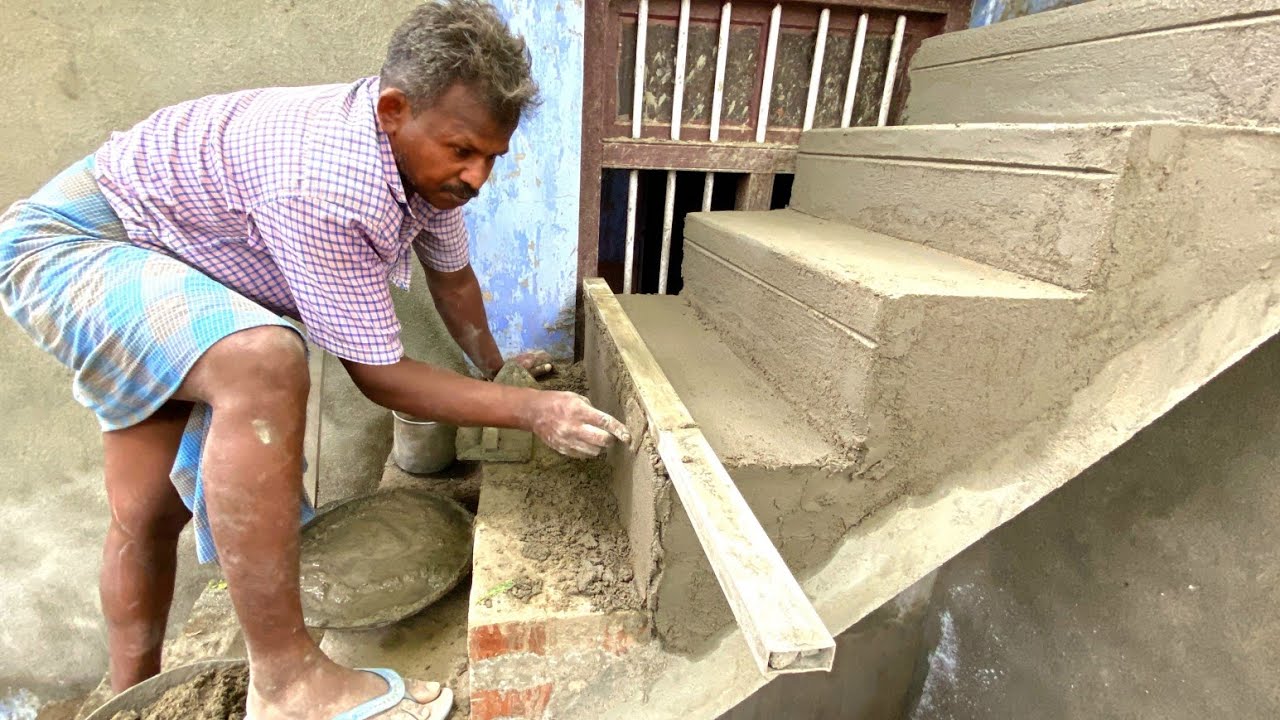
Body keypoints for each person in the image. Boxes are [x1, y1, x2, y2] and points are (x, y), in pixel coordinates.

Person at [0, 1, 628, 717]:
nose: (478, 176)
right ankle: (289, 682)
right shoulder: (330, 180)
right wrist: (533, 411)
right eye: (463, 151)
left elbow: (451, 279)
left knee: (146, 515)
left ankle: (135, 701)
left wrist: (495, 367)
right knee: (262, 358)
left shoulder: (426, 170)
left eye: (493, 156)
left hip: (160, 253)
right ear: (395, 110)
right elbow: (380, 376)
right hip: (72, 246)